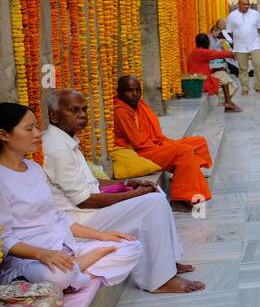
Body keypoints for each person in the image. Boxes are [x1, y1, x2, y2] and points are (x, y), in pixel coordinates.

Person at [41, 90, 204, 293]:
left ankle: (168, 261)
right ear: (54, 116)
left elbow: (91, 182)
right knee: (151, 202)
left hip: (87, 213)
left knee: (156, 194)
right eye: (74, 110)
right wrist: (136, 194)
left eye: (84, 110)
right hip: (78, 222)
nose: (82, 115)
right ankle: (160, 279)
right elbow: (85, 200)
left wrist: (129, 183)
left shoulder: (65, 140)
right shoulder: (56, 147)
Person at [0, 103, 147, 307]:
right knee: (57, 275)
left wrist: (104, 236)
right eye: (29, 128)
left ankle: (76, 270)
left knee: (131, 246)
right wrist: (41, 254)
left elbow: (59, 217)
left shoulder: (34, 168)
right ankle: (77, 270)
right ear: (4, 134)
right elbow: (4, 239)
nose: (37, 134)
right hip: (31, 259)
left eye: (36, 128)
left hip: (64, 246)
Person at [113, 76, 213, 204]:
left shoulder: (138, 105)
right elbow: (138, 143)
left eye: (138, 90)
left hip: (153, 144)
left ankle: (186, 177)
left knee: (198, 142)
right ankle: (183, 197)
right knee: (184, 151)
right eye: (129, 90)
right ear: (119, 92)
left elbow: (151, 135)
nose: (135, 94)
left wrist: (164, 144)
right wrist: (164, 148)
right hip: (140, 153)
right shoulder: (121, 112)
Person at [188, 34, 242, 112]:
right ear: (206, 43)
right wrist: (231, 54)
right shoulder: (201, 52)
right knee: (223, 76)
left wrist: (215, 69)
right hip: (200, 81)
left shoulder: (196, 51)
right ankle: (228, 102)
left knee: (222, 73)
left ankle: (228, 102)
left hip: (201, 77)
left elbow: (202, 67)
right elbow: (216, 54)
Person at [225, 0, 260, 96]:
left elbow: (259, 28)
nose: (246, 6)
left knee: (258, 65)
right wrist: (238, 39)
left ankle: (258, 87)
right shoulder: (232, 16)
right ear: (238, 4)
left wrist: (251, 36)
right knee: (243, 68)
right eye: (244, 4)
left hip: (254, 45)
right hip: (240, 47)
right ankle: (245, 88)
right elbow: (229, 32)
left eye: (248, 4)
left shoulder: (255, 14)